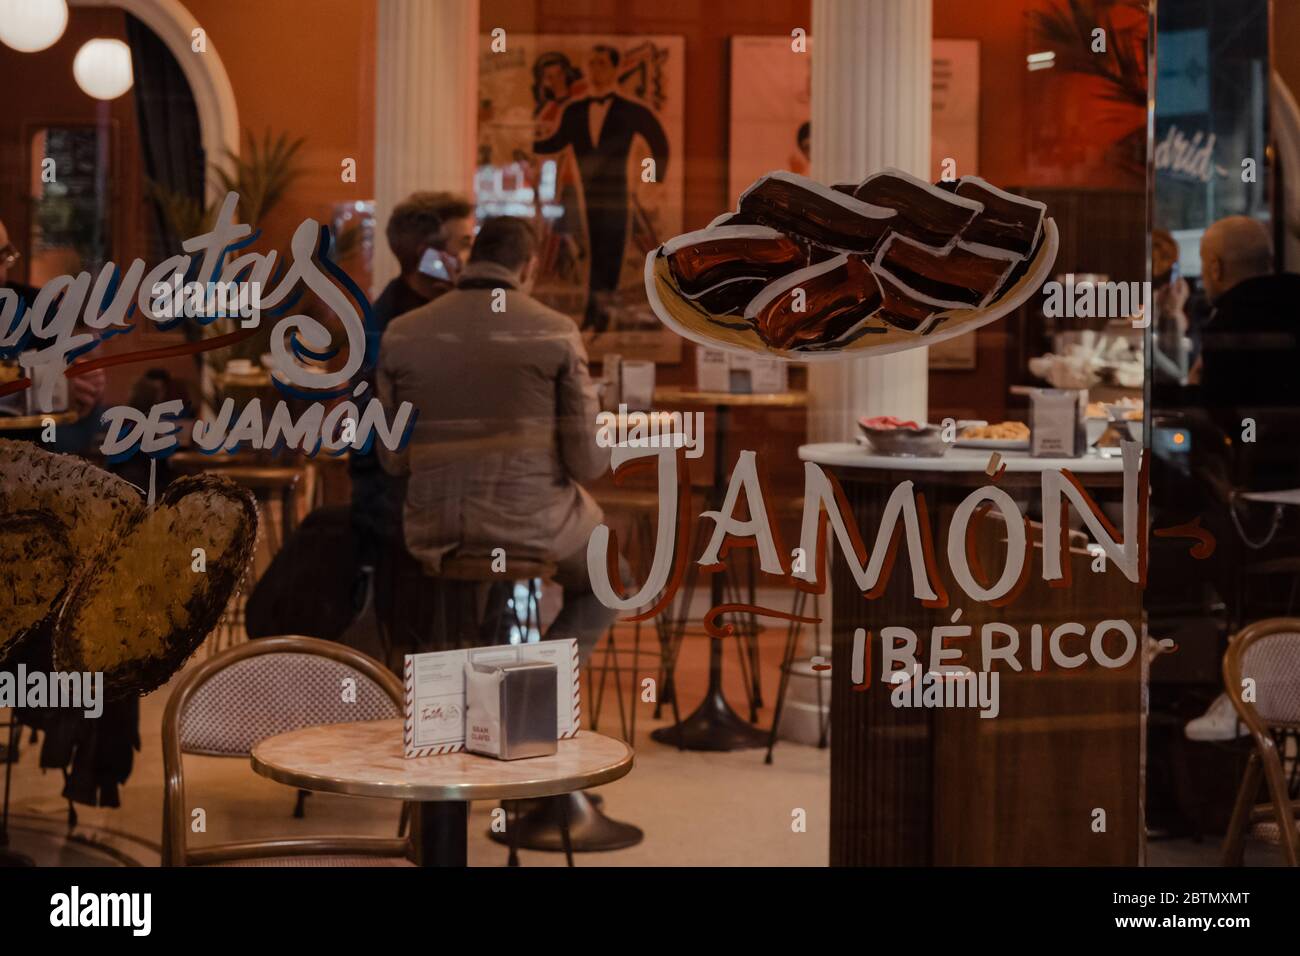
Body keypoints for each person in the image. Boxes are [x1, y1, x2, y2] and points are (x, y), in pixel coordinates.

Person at [376, 216, 616, 662]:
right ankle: (538, 685)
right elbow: (587, 462)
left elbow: (393, 457)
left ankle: (464, 687)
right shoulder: (555, 331)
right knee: (610, 576)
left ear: (471, 260)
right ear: (528, 267)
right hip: (530, 527)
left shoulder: (403, 332)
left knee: (476, 583)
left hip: (437, 527)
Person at [352, 193, 476, 562]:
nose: (471, 257)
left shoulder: (461, 309)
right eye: (464, 244)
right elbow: (376, 436)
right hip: (399, 507)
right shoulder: (384, 326)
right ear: (428, 254)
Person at [533, 44, 669, 333]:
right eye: (591, 63)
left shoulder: (630, 110)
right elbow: (555, 142)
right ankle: (597, 315)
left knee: (611, 252)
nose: (596, 70)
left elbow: (659, 143)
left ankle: (601, 316)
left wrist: (653, 181)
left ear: (616, 69)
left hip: (617, 194)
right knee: (593, 251)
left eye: (602, 64)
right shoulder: (575, 110)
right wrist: (522, 140)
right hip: (585, 196)